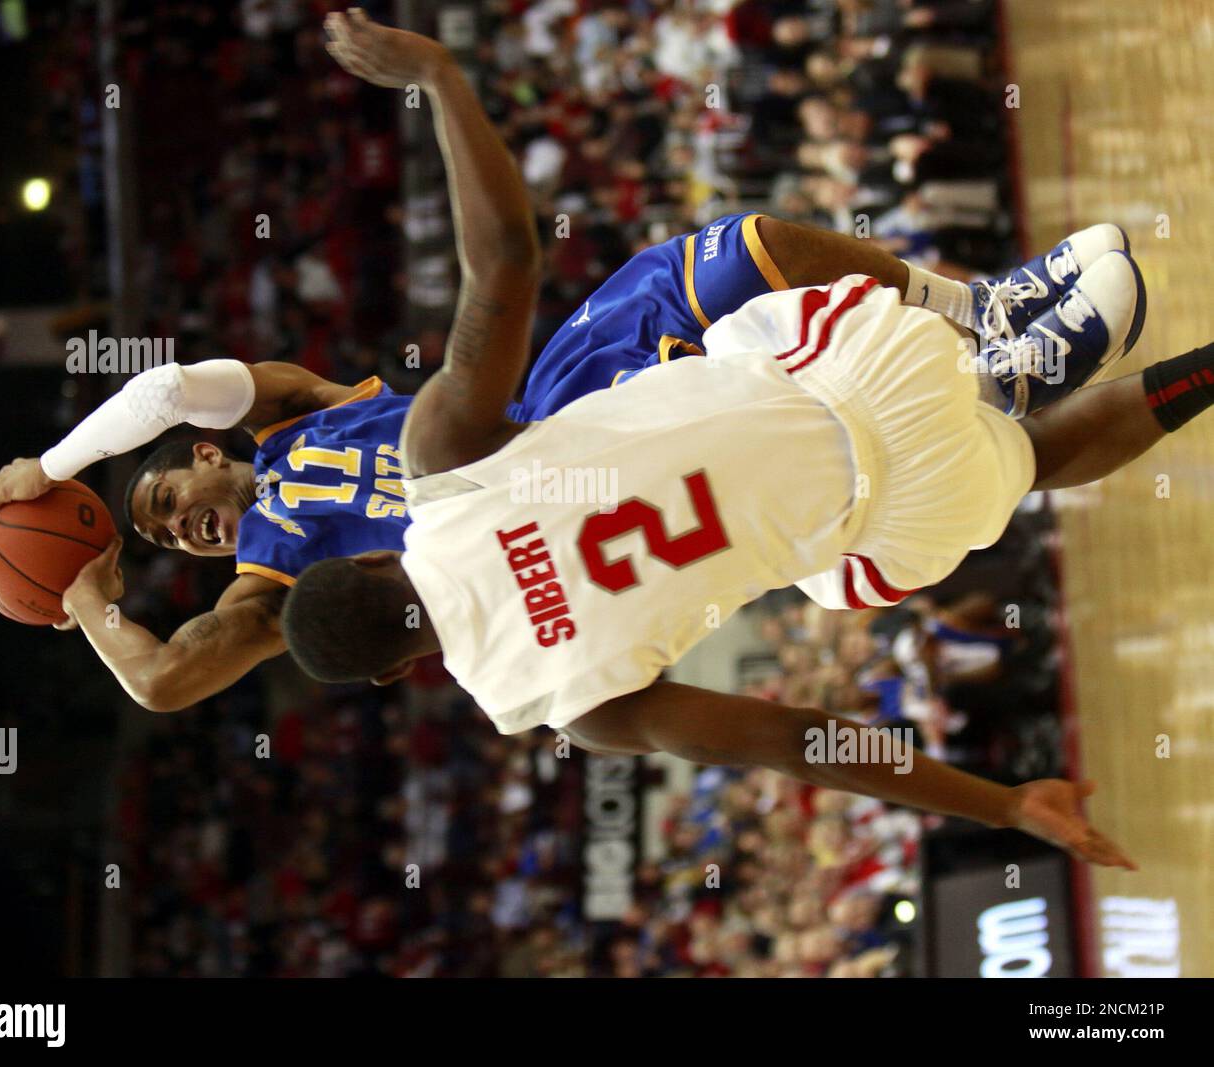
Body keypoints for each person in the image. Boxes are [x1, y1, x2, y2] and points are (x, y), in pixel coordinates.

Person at [0, 11, 1135, 712]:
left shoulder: (291, 415)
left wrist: (50, 462)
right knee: (930, 458)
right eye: (167, 535)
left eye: (172, 495)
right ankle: (1015, 376)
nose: (181, 525)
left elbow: (168, 388)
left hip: (548, 398)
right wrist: (89, 598)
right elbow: (167, 679)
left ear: (210, 457)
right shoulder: (274, 579)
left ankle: (976, 311)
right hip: (580, 495)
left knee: (745, 249)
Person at [275, 13, 1214, 869]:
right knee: (732, 279)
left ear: (401, 667)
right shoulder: (436, 469)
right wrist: (440, 77)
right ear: (367, 561)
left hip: (902, 504)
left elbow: (798, 739)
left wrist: (1006, 805)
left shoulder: (563, 705)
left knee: (1001, 483)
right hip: (840, 358)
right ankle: (982, 344)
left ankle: (1063, 375)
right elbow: (507, 259)